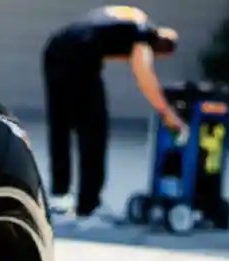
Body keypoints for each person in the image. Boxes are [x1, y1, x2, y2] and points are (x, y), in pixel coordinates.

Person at [43, 6, 186, 227]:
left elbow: (97, 19)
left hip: (55, 48)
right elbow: (145, 80)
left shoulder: (133, 15)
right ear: (160, 50)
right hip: (81, 58)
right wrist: (168, 115)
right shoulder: (142, 41)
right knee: (94, 133)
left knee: (60, 126)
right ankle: (89, 206)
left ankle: (59, 199)